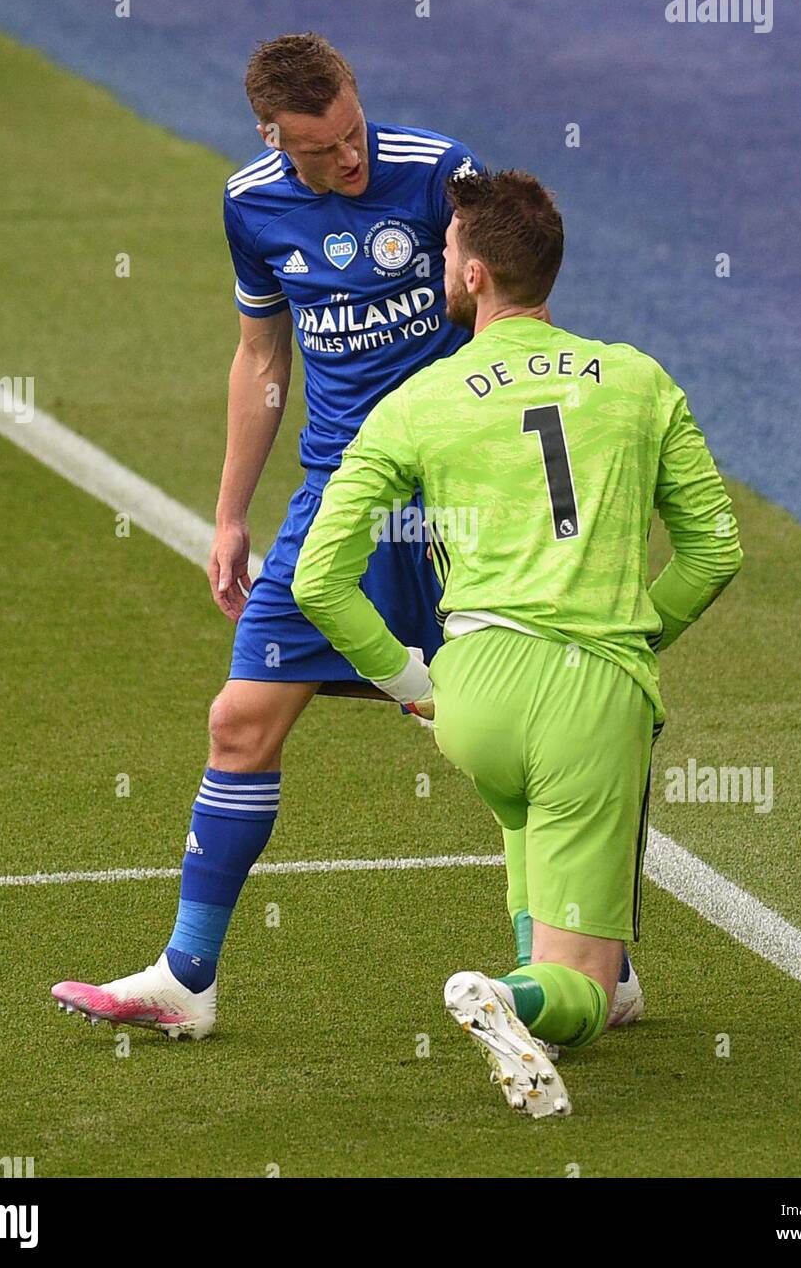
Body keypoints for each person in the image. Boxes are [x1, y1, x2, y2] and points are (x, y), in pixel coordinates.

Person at [52, 34, 484, 1037]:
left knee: (504, 738)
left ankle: (592, 964)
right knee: (239, 721)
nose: (351, 159)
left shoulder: (438, 175)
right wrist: (231, 511)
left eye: (352, 130)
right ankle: (186, 976)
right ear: (271, 135)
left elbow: (506, 316)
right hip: (335, 505)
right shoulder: (251, 202)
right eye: (324, 150)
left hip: (453, 501)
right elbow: (261, 356)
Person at [291, 169, 743, 1116]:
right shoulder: (638, 379)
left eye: (449, 250)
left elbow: (317, 578)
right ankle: (516, 997)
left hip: (474, 693)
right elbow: (716, 550)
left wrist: (412, 683)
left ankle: (552, 974)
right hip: (588, 693)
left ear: (479, 275)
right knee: (575, 994)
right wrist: (629, 638)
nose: (442, 262)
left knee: (528, 826)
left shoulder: (418, 400)